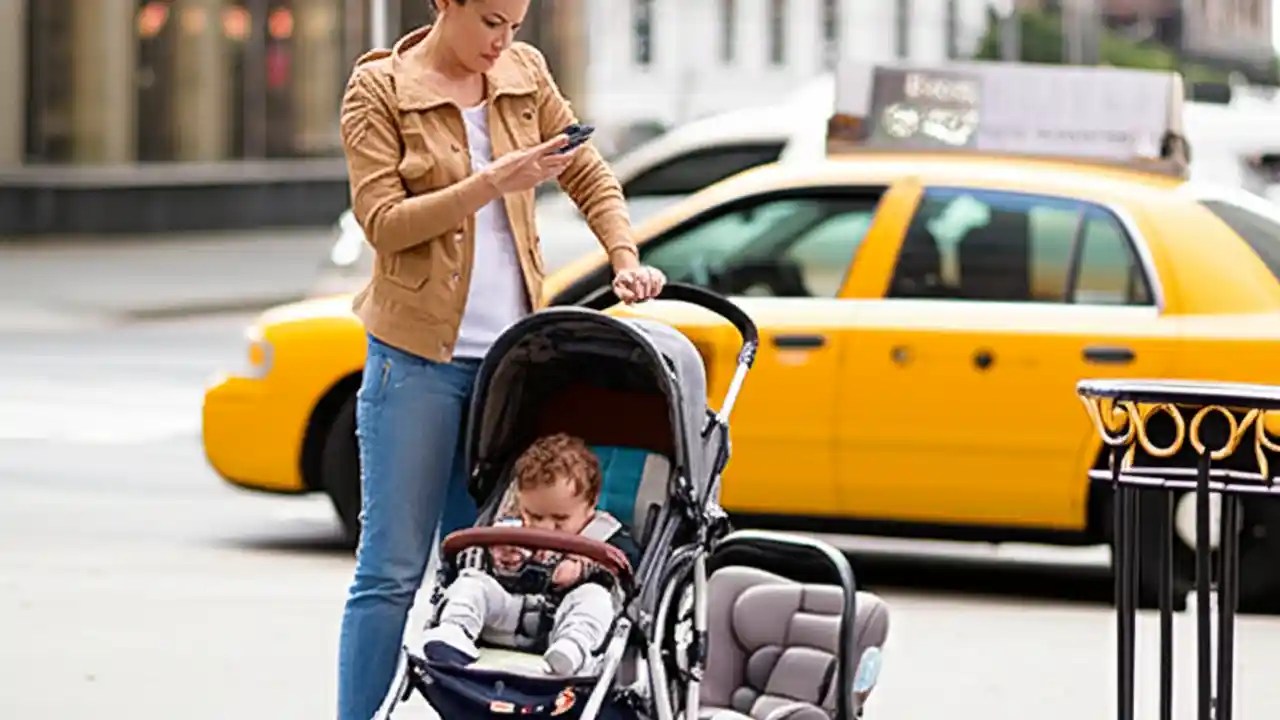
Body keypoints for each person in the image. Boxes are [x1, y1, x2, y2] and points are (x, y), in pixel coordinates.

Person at [334, 1, 666, 717]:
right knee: (392, 570)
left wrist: (624, 253)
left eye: (515, 24)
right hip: (415, 361)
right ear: (443, 5)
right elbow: (383, 225)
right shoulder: (380, 90)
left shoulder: (525, 72)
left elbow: (589, 174)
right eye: (489, 20)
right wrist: (492, 181)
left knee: (491, 567)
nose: (504, 40)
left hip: (510, 371)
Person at [422, 433, 640, 676]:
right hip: (507, 614)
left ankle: (573, 649)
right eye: (534, 516)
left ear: (591, 504)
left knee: (595, 598)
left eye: (560, 519)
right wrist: (496, 559)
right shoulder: (509, 528)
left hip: (561, 621)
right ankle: (455, 630)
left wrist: (585, 569)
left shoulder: (605, 535)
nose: (545, 528)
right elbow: (466, 562)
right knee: (471, 583)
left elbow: (628, 575)